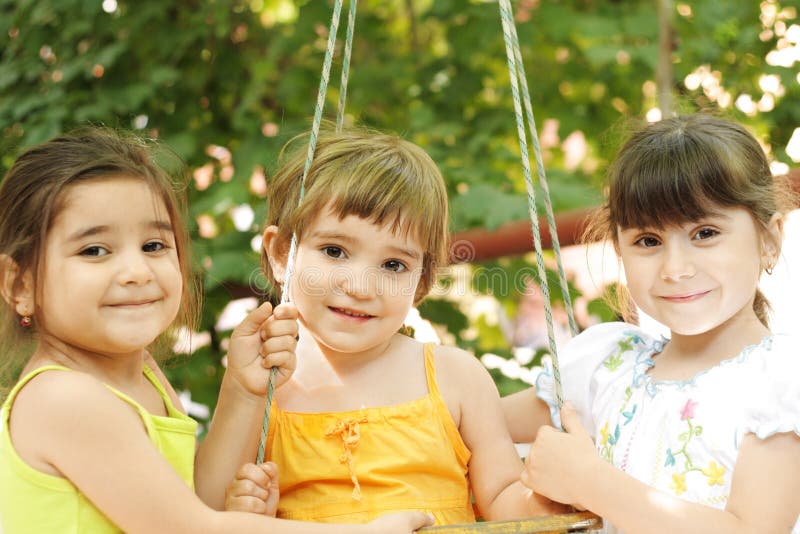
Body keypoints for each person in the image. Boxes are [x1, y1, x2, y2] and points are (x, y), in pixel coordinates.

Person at [0, 127, 433, 534]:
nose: (136, 271)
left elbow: (200, 503)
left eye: (153, 245)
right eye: (94, 250)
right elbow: (191, 528)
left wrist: (242, 390)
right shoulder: (63, 398)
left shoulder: (141, 376)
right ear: (20, 285)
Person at [228, 125, 565, 526]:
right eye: (334, 251)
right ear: (282, 254)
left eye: (393, 265)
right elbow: (204, 510)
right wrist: (248, 515)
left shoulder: (456, 378)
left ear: (421, 281)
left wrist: (548, 499)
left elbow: (503, 498)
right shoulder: (262, 386)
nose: (360, 287)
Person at [501, 114, 800, 533]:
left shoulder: (779, 380)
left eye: (705, 233)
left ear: (769, 239)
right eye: (648, 241)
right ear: (620, 250)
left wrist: (590, 483)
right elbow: (471, 421)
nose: (675, 269)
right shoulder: (607, 366)